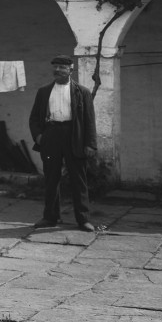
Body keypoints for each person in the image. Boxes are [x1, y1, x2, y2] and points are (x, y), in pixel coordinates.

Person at [28, 54, 98, 232]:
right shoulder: (44, 91)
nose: (57, 70)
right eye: (55, 67)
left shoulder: (82, 92)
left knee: (78, 180)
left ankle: (83, 220)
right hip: (51, 136)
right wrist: (39, 136)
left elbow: (89, 120)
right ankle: (50, 217)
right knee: (51, 178)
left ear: (70, 70)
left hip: (74, 136)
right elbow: (35, 117)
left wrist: (90, 144)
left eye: (62, 67)